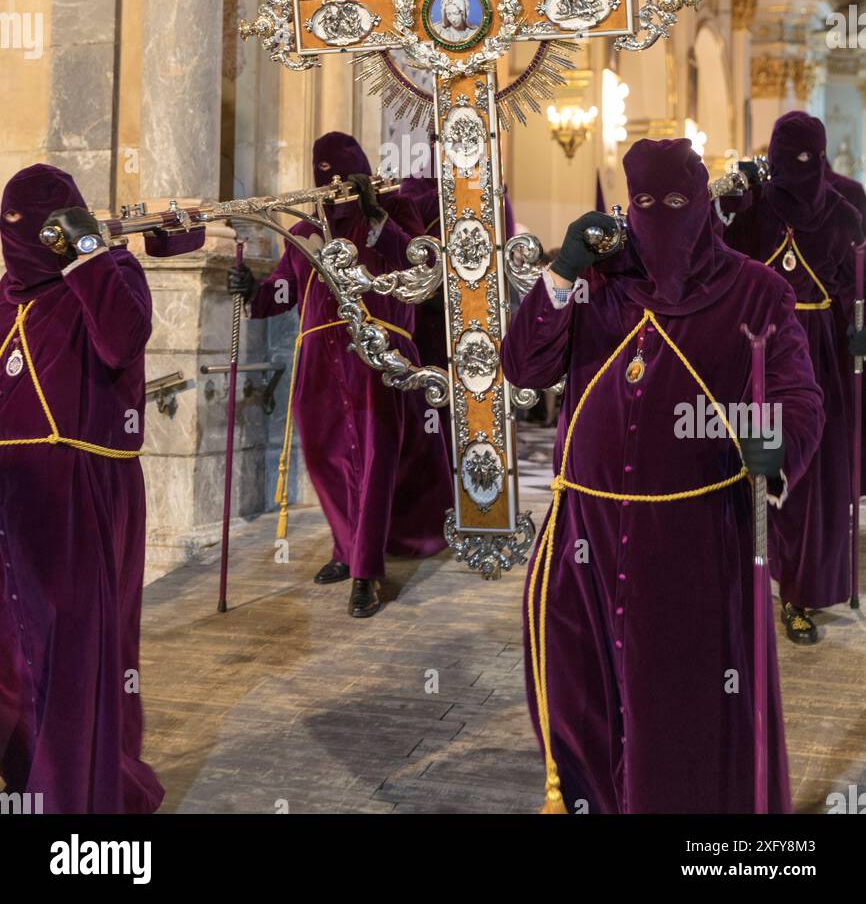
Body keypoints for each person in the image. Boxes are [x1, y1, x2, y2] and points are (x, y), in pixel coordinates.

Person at [501, 138, 823, 814]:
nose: (658, 216)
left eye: (675, 202)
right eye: (643, 203)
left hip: (695, 539)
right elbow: (525, 370)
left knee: (684, 710)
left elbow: (797, 397)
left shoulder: (754, 291)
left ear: (703, 204)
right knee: (580, 697)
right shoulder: (596, 284)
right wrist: (560, 270)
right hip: (581, 533)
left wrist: (775, 446)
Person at [0, 164, 201, 813]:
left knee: (74, 648)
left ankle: (69, 795)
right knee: (13, 657)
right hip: (11, 497)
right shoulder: (6, 295)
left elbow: (121, 340)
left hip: (79, 494)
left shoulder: (108, 273)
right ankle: (24, 774)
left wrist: (89, 251)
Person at [230, 133, 453, 618]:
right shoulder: (309, 226)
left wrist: (376, 215)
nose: (332, 183)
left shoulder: (395, 208)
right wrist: (251, 292)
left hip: (377, 349)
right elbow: (283, 293)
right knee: (326, 458)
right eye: (323, 174)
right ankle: (345, 549)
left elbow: (421, 266)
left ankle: (366, 572)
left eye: (342, 173)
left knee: (374, 459)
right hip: (318, 357)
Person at [726, 112, 860, 642]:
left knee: (814, 481)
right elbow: (722, 266)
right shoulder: (750, 214)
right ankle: (741, 584)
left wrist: (857, 326)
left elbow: (856, 288)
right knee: (750, 466)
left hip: (821, 358)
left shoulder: (845, 215)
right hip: (762, 350)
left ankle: (801, 594)